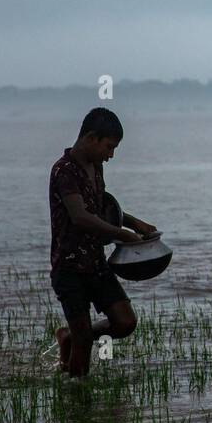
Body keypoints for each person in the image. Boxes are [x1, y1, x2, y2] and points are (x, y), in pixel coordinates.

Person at [49, 107, 157, 376]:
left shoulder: (95, 167)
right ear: (90, 138)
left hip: (96, 263)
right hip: (69, 268)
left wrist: (134, 223)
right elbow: (81, 216)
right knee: (84, 340)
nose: (111, 155)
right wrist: (122, 234)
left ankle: (69, 337)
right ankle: (77, 399)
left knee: (125, 322)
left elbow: (101, 206)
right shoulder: (64, 171)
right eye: (109, 147)